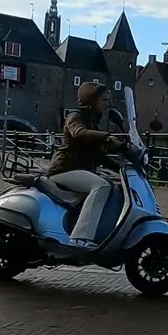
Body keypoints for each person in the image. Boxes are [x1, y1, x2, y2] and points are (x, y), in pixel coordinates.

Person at [44, 82, 128, 251]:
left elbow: (98, 155)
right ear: (91, 100)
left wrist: (121, 167)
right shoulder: (75, 117)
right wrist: (106, 137)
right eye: (104, 100)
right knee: (101, 185)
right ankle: (80, 238)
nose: (107, 104)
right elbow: (79, 133)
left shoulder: (93, 123)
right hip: (64, 169)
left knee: (111, 185)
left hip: (79, 170)